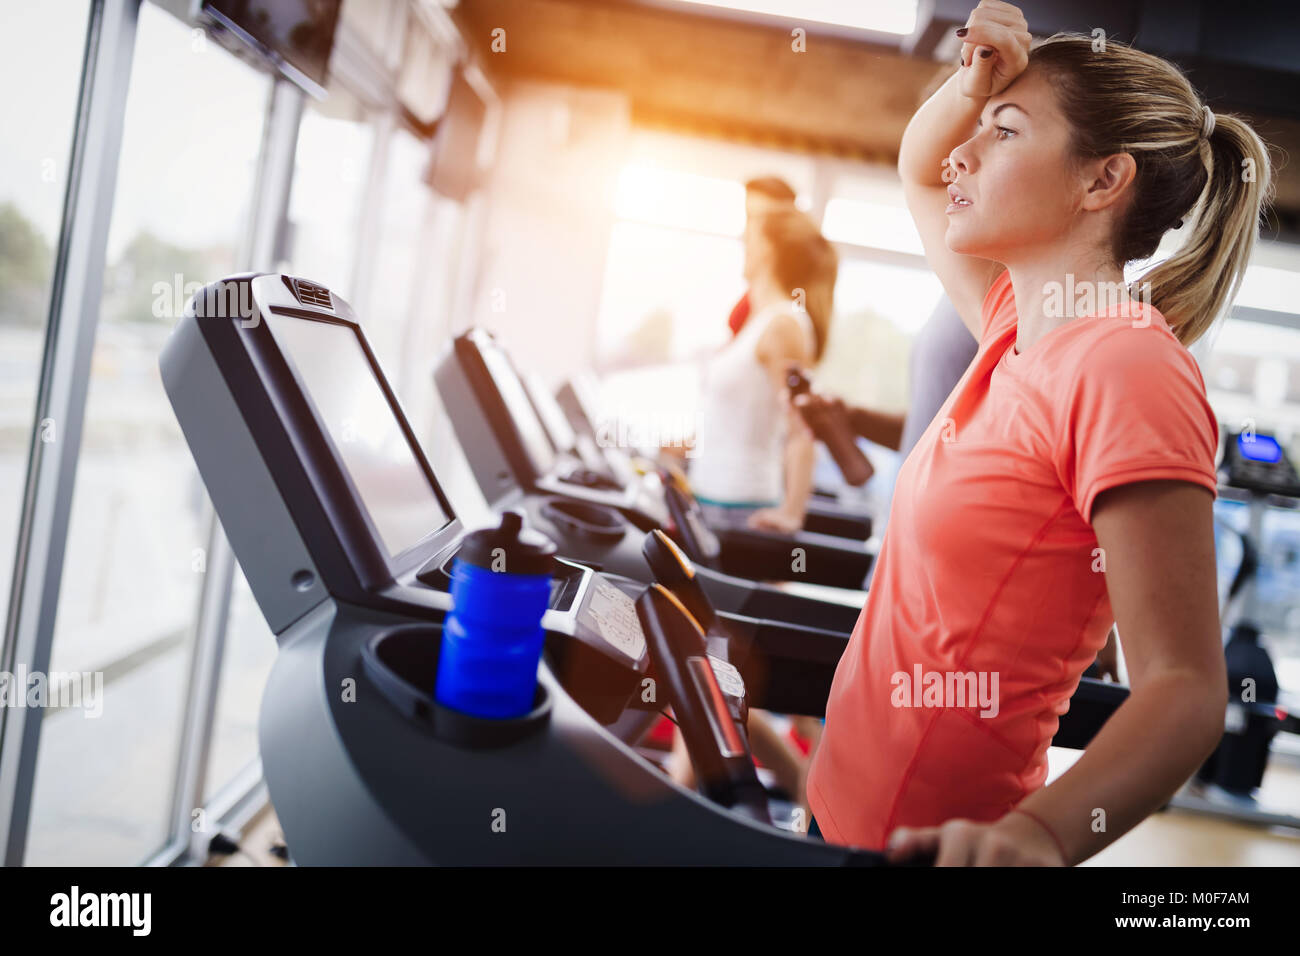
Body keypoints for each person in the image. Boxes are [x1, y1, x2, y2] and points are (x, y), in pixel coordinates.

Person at [804, 0, 1273, 865]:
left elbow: (1183, 689)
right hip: (837, 815)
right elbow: (919, 168)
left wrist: (1037, 837)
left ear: (1103, 181)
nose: (963, 152)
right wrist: (973, 84)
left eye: (1005, 132)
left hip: (939, 850)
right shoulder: (1016, 326)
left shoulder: (1129, 368)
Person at [689, 206, 837, 534]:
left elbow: (802, 429)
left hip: (741, 508)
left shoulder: (783, 325)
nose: (742, 240)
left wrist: (792, 513)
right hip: (709, 498)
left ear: (769, 248)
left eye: (750, 236)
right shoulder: (757, 321)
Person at [726, 177, 800, 337]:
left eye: (758, 219)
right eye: (748, 218)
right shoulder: (758, 292)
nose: (746, 233)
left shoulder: (793, 302)